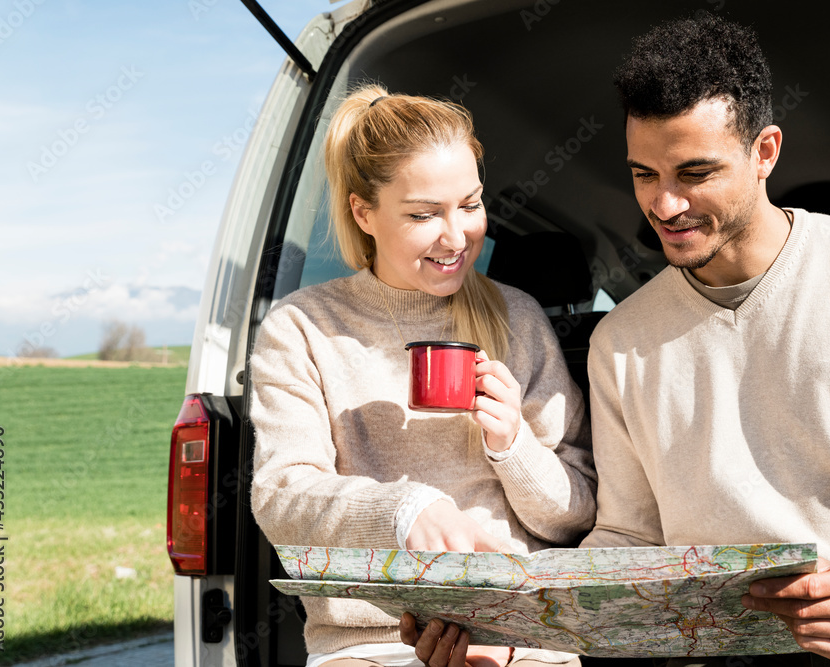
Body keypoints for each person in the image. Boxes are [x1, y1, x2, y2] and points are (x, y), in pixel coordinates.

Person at [578, 14, 830, 667]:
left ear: (765, 151)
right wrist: (520, 627)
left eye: (694, 172)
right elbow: (628, 537)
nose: (665, 205)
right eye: (644, 174)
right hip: (711, 652)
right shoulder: (618, 341)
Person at [248, 84, 597, 667]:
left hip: (524, 643)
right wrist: (405, 511)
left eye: (469, 204)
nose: (457, 237)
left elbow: (578, 513)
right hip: (370, 648)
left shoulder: (519, 318)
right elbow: (282, 498)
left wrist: (513, 445)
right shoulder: (302, 328)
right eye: (422, 214)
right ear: (364, 212)